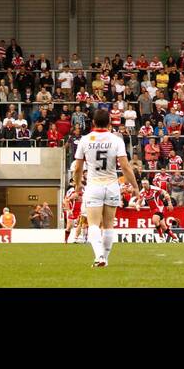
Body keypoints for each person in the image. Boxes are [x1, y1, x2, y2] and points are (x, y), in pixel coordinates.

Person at [71, 106, 139, 268]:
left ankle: (99, 256)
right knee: (109, 224)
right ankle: (105, 258)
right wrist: (135, 186)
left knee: (94, 223)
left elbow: (78, 168)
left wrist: (77, 185)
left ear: (93, 122)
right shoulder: (116, 139)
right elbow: (125, 166)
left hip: (94, 185)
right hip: (111, 185)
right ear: (109, 122)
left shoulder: (85, 140)